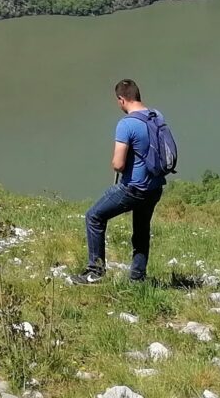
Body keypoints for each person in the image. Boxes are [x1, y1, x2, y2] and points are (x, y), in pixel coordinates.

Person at [74, 78, 172, 284]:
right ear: (137, 94)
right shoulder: (156, 116)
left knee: (94, 216)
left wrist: (119, 162)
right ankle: (137, 277)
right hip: (155, 187)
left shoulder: (126, 124)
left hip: (133, 189)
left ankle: (96, 271)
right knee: (141, 231)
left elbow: (118, 164)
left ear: (121, 99)